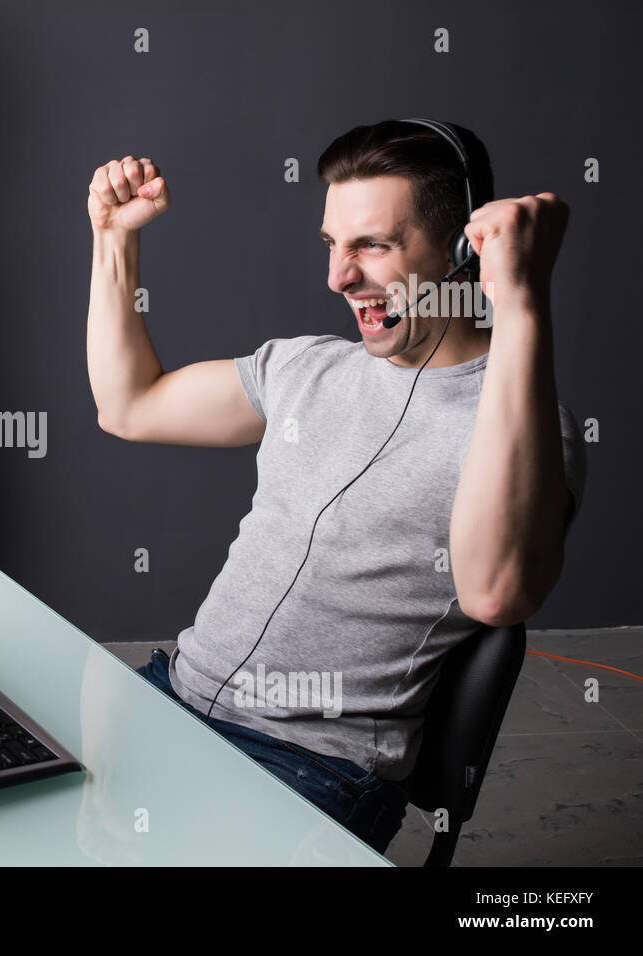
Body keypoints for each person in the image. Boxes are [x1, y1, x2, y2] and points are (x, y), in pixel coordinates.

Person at [85, 120, 587, 854]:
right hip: (172, 697)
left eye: (373, 246)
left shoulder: (529, 428)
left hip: (309, 766)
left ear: (460, 255)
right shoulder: (307, 369)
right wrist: (112, 239)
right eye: (332, 246)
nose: (339, 278)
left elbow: (496, 593)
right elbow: (127, 406)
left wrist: (521, 304)